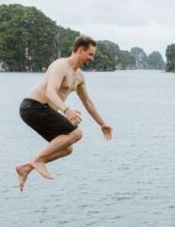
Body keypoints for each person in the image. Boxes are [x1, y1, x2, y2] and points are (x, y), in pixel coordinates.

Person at [16, 35, 113, 191]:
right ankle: (38, 160)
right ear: (80, 50)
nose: (92, 59)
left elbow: (87, 102)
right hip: (32, 107)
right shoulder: (60, 65)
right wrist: (67, 110)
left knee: (67, 148)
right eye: (90, 54)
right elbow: (50, 91)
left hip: (42, 110)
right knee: (77, 134)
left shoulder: (80, 77)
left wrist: (102, 124)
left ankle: (26, 168)